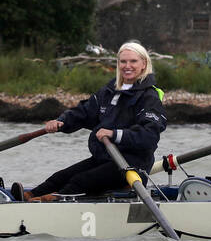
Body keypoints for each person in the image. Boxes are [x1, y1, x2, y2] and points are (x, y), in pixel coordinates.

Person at [14, 42, 167, 202]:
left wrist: (114, 134)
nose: (127, 66)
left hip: (132, 166)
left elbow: (149, 135)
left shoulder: (150, 97)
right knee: (60, 177)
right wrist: (61, 122)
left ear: (143, 64)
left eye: (133, 61)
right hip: (106, 158)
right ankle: (26, 197)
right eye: (123, 62)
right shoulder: (109, 91)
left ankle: (52, 202)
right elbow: (84, 112)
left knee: (80, 181)